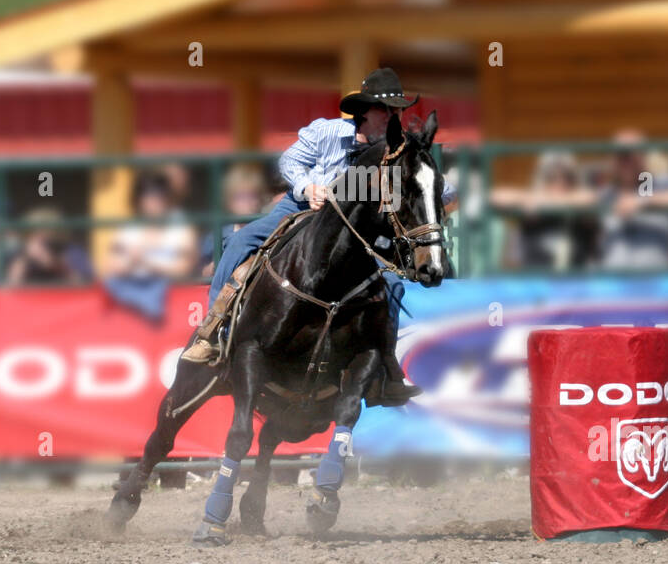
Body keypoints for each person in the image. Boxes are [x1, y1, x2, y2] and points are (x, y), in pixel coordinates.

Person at [180, 67, 456, 407]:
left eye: (397, 110)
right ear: (364, 111)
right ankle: (214, 332)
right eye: (385, 109)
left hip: (353, 233)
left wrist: (423, 200)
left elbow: (437, 188)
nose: (393, 116)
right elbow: (290, 160)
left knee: (389, 286)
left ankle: (385, 368)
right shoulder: (327, 132)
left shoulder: (397, 152)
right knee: (240, 242)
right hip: (300, 209)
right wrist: (308, 187)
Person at [103, 172, 200, 321]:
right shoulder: (129, 229)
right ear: (139, 200)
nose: (154, 202)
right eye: (148, 196)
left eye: (159, 196)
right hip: (128, 289)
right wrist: (131, 260)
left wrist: (145, 260)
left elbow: (185, 268)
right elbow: (110, 268)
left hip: (167, 292)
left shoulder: (180, 227)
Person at [595, 130, 668, 269]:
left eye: (631, 157)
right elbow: (570, 199)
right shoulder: (607, 193)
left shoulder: (659, 184)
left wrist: (643, 200)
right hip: (614, 285)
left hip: (655, 283)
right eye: (620, 157)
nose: (626, 163)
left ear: (643, 157)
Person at [491, 151, 597, 270]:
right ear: (541, 179)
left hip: (575, 281)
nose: (560, 182)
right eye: (551, 177)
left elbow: (590, 199)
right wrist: (529, 198)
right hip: (537, 282)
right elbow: (496, 197)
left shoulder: (581, 202)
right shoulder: (530, 199)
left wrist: (547, 202)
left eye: (567, 177)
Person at [6, 208, 88, 285]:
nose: (41, 235)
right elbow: (10, 287)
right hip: (31, 298)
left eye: (46, 230)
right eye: (34, 230)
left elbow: (83, 284)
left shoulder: (71, 251)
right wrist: (24, 259)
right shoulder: (21, 254)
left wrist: (55, 265)